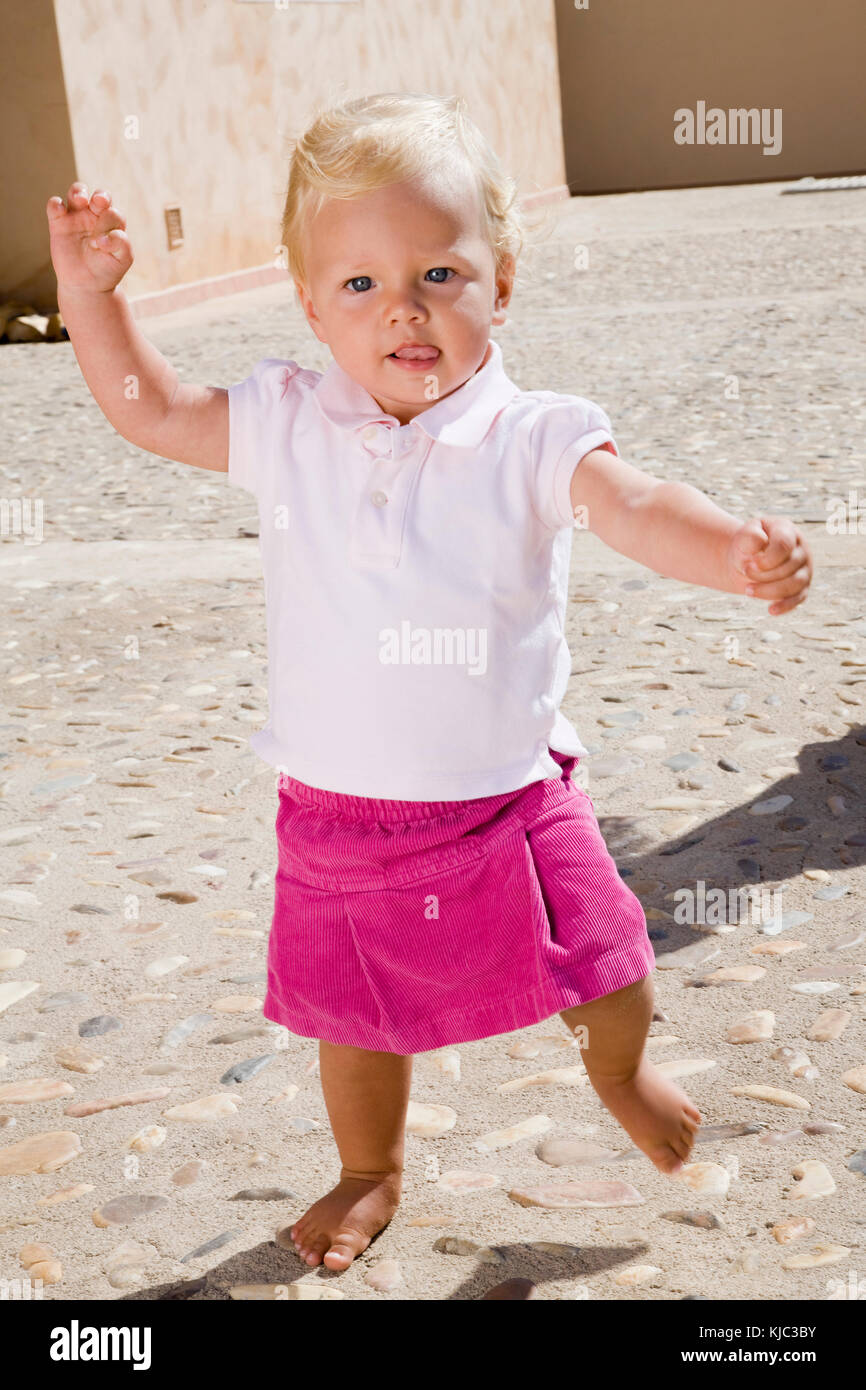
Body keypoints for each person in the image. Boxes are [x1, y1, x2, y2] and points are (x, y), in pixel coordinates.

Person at [45, 91, 813, 1276]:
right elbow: (152, 412)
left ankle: (617, 1070)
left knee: (607, 962)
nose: (400, 305)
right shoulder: (287, 421)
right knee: (352, 1022)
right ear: (307, 302)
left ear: (499, 281)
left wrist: (731, 554)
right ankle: (370, 1167)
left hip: (506, 792)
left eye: (439, 273)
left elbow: (637, 505)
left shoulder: (536, 434)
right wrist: (95, 299)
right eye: (357, 284)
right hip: (336, 810)